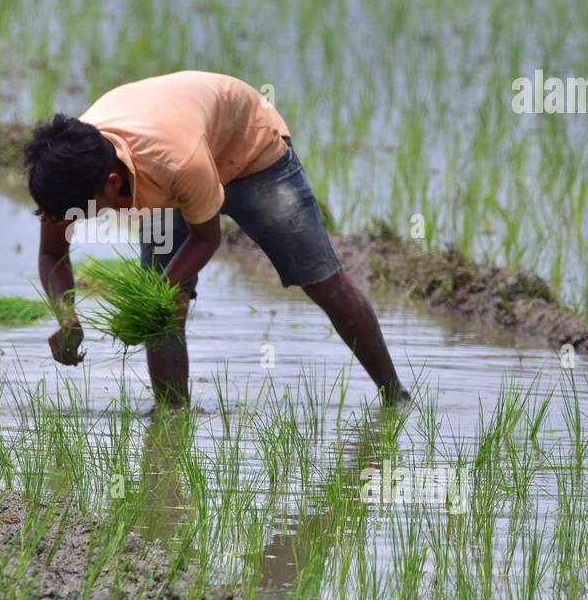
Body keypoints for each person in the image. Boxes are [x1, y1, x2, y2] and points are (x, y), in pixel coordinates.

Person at [24, 70, 406, 406]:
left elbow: (206, 239)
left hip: (251, 156)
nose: (80, 220)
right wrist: (67, 315)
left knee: (322, 280)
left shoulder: (176, 160)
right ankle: (172, 416)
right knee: (165, 308)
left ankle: (394, 395)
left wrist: (157, 288)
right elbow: (52, 252)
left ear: (111, 184)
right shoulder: (68, 176)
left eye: (85, 213)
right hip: (170, 162)